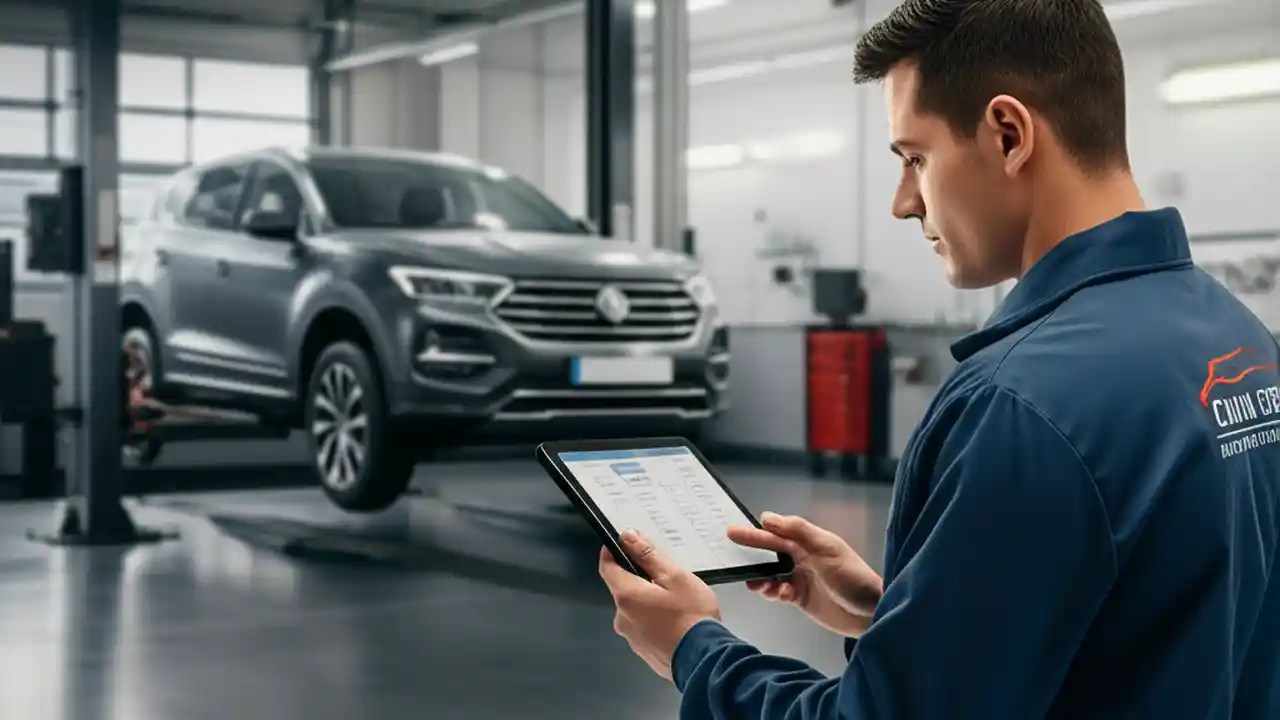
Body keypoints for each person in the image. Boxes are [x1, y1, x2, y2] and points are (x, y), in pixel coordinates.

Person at [596, 0, 1280, 717]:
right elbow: (1147, 630)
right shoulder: (1238, 339)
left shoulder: (1021, 406)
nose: (903, 202)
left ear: (1008, 134)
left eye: (915, 158)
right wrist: (891, 608)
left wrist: (692, 646)